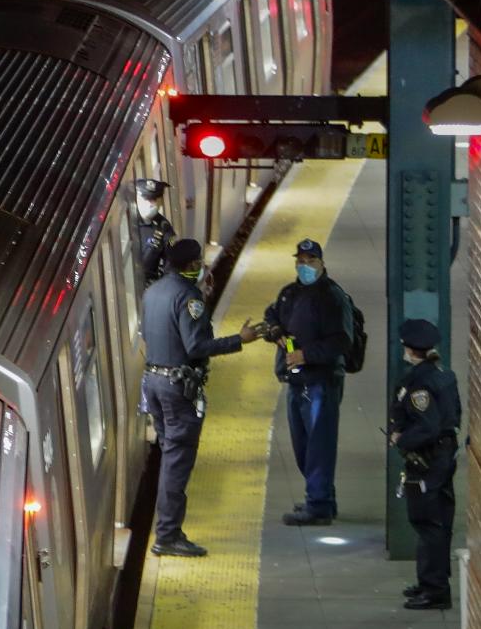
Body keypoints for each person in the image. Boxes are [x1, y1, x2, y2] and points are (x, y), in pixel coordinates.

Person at [141, 237, 261, 557]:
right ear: (193, 264)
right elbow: (195, 346)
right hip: (177, 388)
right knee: (177, 462)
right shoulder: (187, 296)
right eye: (199, 263)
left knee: (170, 455)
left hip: (153, 382)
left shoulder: (152, 292)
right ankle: (168, 535)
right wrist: (240, 339)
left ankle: (167, 530)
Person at [263, 238, 353, 526]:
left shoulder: (332, 298)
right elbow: (271, 314)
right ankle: (322, 495)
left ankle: (318, 505)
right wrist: (275, 330)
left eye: (310, 261)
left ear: (322, 263)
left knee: (319, 445)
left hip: (321, 383)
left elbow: (342, 341)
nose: (304, 266)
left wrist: (305, 354)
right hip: (296, 382)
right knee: (303, 445)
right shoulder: (290, 293)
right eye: (300, 261)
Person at [389, 318, 460, 610]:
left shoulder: (419, 383)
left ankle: (435, 590)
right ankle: (431, 580)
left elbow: (427, 426)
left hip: (428, 460)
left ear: (408, 348)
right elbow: (453, 414)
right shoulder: (444, 374)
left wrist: (401, 438)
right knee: (438, 521)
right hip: (443, 456)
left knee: (427, 522)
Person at [132, 179, 175, 285]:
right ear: (137, 199)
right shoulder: (126, 221)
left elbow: (171, 262)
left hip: (148, 285)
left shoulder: (163, 226)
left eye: (154, 199)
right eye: (146, 199)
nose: (150, 204)